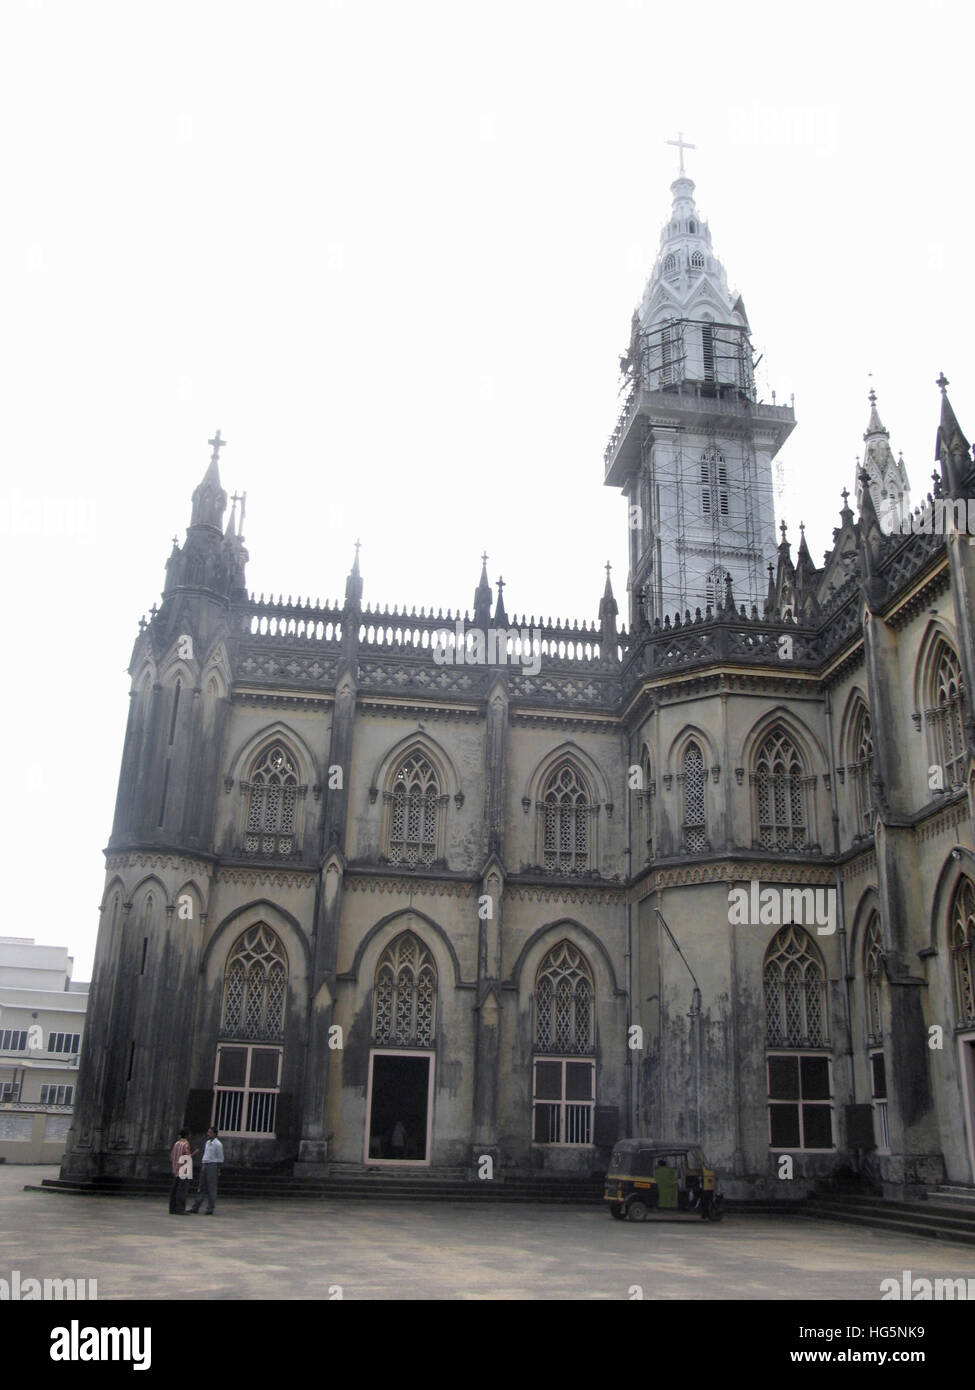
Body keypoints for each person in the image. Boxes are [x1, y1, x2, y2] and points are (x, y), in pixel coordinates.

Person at [190, 1126, 225, 1214]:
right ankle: (196, 1206)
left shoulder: (218, 1144)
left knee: (211, 1187)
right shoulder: (208, 1143)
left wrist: (218, 1169)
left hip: (212, 1165)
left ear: (214, 1134)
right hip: (205, 1164)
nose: (208, 1134)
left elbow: (220, 1158)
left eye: (210, 1132)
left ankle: (210, 1208)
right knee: (201, 1187)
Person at [168, 1127, 197, 1214]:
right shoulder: (186, 1144)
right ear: (187, 1135)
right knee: (182, 1190)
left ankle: (172, 1208)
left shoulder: (176, 1143)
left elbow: (172, 1156)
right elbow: (187, 1157)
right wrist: (194, 1153)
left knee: (175, 1190)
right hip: (183, 1170)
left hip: (176, 1169)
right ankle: (180, 1209)